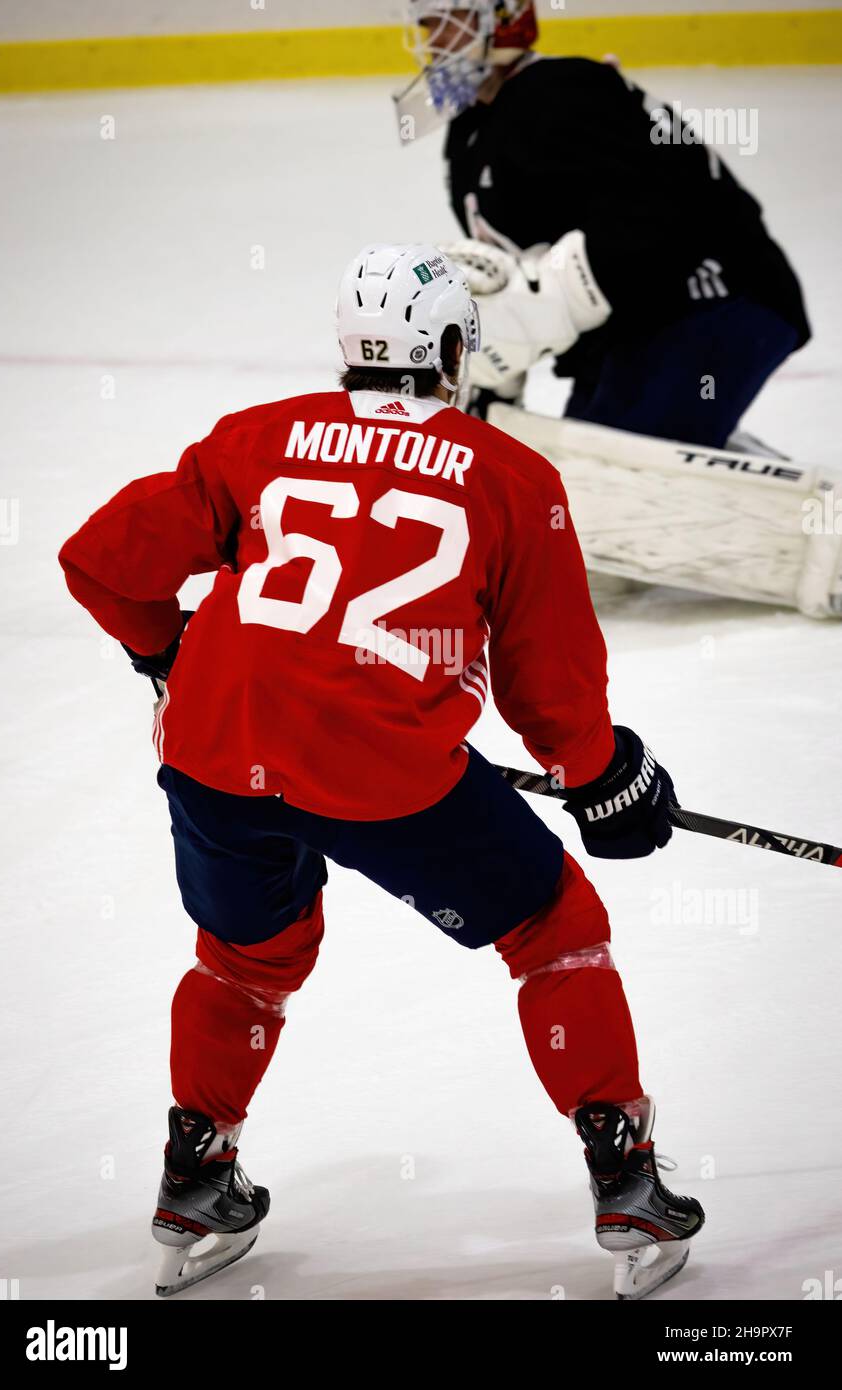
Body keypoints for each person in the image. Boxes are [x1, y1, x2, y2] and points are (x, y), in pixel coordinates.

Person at [59, 242, 703, 1301]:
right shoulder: (512, 475)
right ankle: (624, 1177)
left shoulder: (254, 438)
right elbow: (546, 689)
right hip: (386, 772)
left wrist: (167, 657)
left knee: (242, 957)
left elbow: (98, 557)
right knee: (552, 928)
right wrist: (602, 773)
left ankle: (195, 1172)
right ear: (451, 350)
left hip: (216, 756)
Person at [395, 2, 810, 449]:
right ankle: (719, 450)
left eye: (448, 25)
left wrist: (550, 297)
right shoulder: (471, 132)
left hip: (715, 301)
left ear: (503, 19)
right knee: (583, 470)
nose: (434, 42)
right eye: (427, 26)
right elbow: (513, 263)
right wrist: (500, 373)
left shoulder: (560, 92)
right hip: (630, 320)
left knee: (625, 470)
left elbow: (669, 209)